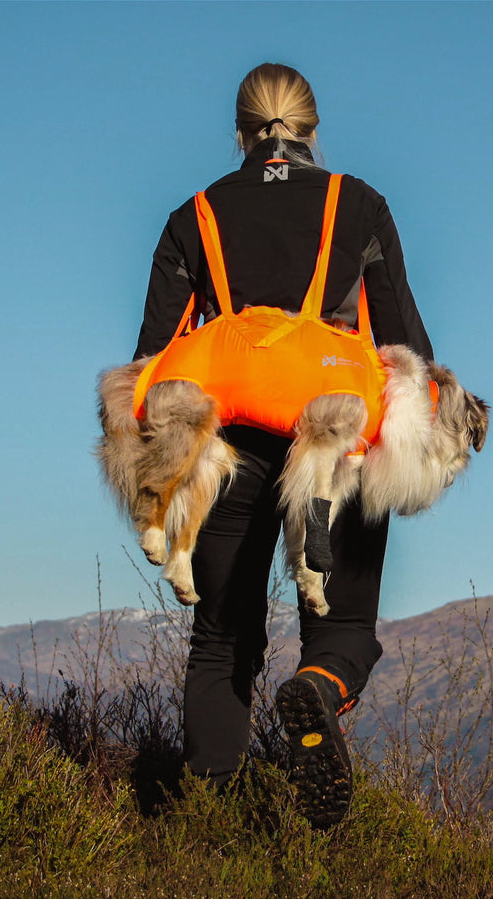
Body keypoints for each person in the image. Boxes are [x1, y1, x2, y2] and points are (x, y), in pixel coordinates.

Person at [132, 63, 433, 828]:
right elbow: (403, 342)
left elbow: (153, 365)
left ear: (240, 132)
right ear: (312, 130)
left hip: (226, 442)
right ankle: (319, 687)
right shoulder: (357, 204)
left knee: (220, 641)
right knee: (343, 631)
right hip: (336, 444)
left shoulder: (191, 218)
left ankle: (209, 830)